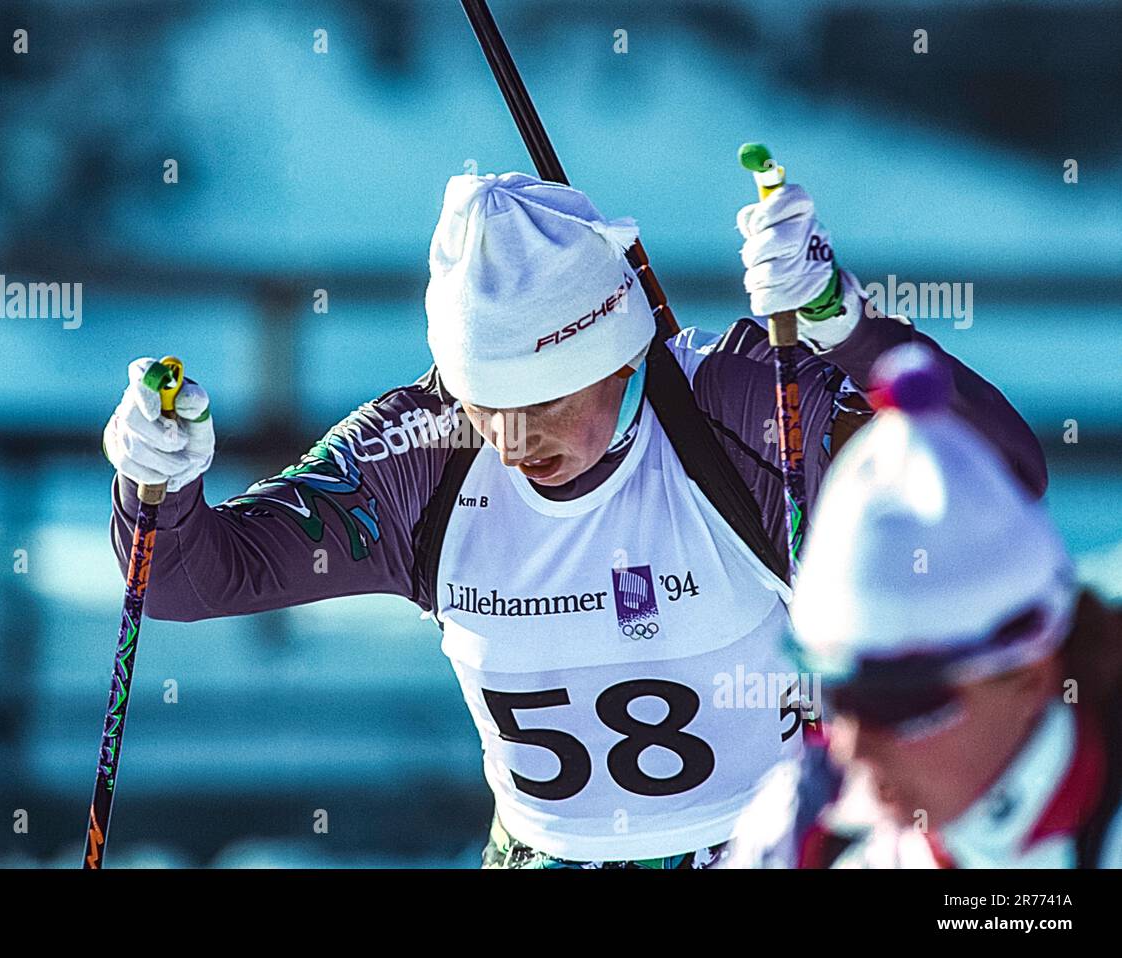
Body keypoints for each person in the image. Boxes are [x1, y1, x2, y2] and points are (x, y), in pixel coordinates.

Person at [102, 170, 1045, 868]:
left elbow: (1003, 478)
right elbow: (187, 579)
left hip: (768, 847)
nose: (512, 440)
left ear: (619, 354)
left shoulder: (736, 403)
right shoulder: (421, 454)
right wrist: (156, 486)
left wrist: (851, 330)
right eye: (483, 400)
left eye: (545, 399)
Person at [726, 344, 1122, 869]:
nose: (852, 749)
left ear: (1033, 675)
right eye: (840, 698)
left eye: (900, 704)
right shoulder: (800, 833)